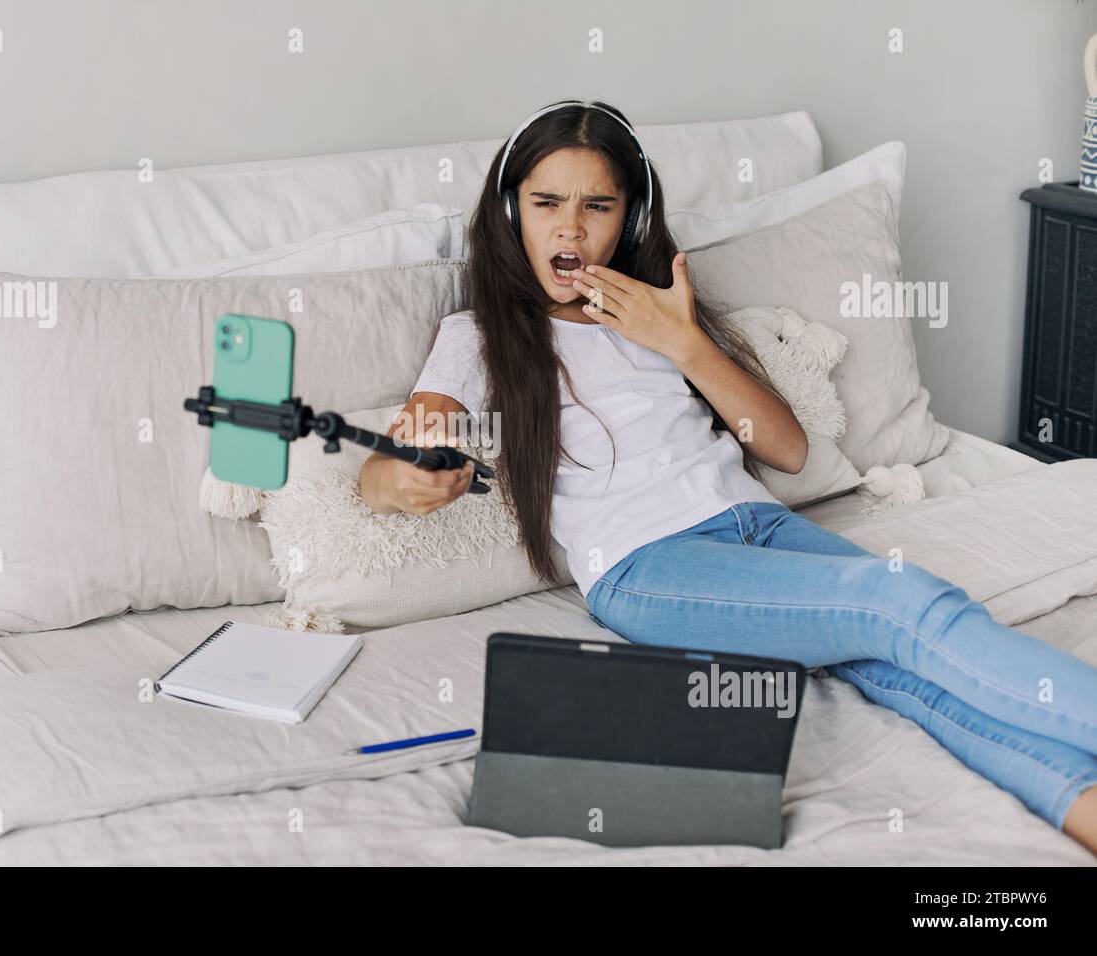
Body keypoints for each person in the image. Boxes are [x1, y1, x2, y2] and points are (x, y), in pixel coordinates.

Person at [359, 99, 1097, 854]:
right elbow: (386, 469)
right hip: (648, 563)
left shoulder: (659, 315)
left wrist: (681, 342)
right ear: (511, 211)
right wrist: (406, 479)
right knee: (900, 600)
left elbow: (787, 451)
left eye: (598, 205)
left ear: (631, 218)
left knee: (896, 666)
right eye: (546, 201)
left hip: (761, 526)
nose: (571, 227)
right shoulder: (478, 336)